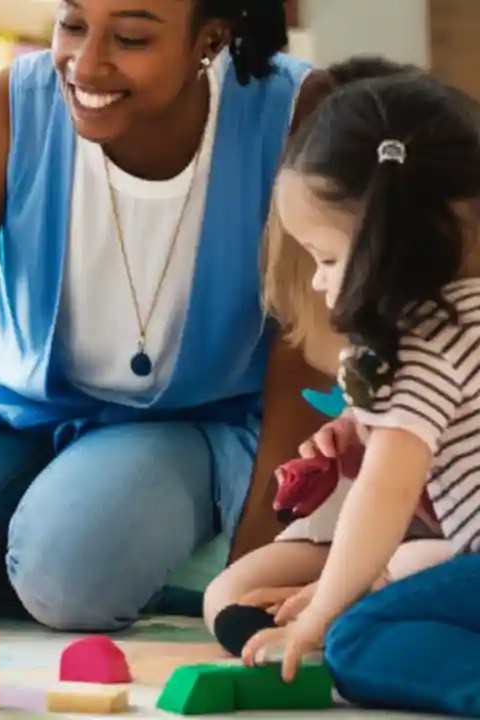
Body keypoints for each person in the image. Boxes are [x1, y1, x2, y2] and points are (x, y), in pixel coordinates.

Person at [0, 0, 332, 629]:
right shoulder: (3, 111)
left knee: (70, 583)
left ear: (208, 40)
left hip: (193, 423)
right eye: (72, 24)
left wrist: (259, 550)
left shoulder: (295, 114)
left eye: (130, 37)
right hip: (25, 408)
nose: (87, 63)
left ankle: (120, 536)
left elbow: (304, 350)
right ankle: (60, 517)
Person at [235, 73, 480, 705]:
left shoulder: (429, 338)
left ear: (387, 246)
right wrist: (330, 587)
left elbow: (387, 489)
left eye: (326, 257)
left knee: (358, 637)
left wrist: (324, 616)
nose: (317, 284)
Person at [201, 56, 448, 655]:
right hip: (398, 516)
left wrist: (333, 597)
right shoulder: (393, 341)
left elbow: (396, 479)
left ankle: (348, 618)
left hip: (444, 535)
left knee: (409, 568)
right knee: (228, 594)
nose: (316, 282)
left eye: (328, 261)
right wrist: (353, 428)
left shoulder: (441, 337)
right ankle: (341, 616)